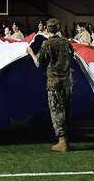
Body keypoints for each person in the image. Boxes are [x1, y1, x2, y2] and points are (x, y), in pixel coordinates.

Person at [26, 18, 74, 152]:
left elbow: (39, 63)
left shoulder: (47, 44)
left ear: (47, 29)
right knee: (66, 110)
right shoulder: (66, 42)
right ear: (58, 28)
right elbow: (72, 56)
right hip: (68, 82)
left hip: (54, 82)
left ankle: (62, 141)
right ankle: (67, 139)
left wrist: (30, 53)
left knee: (57, 110)